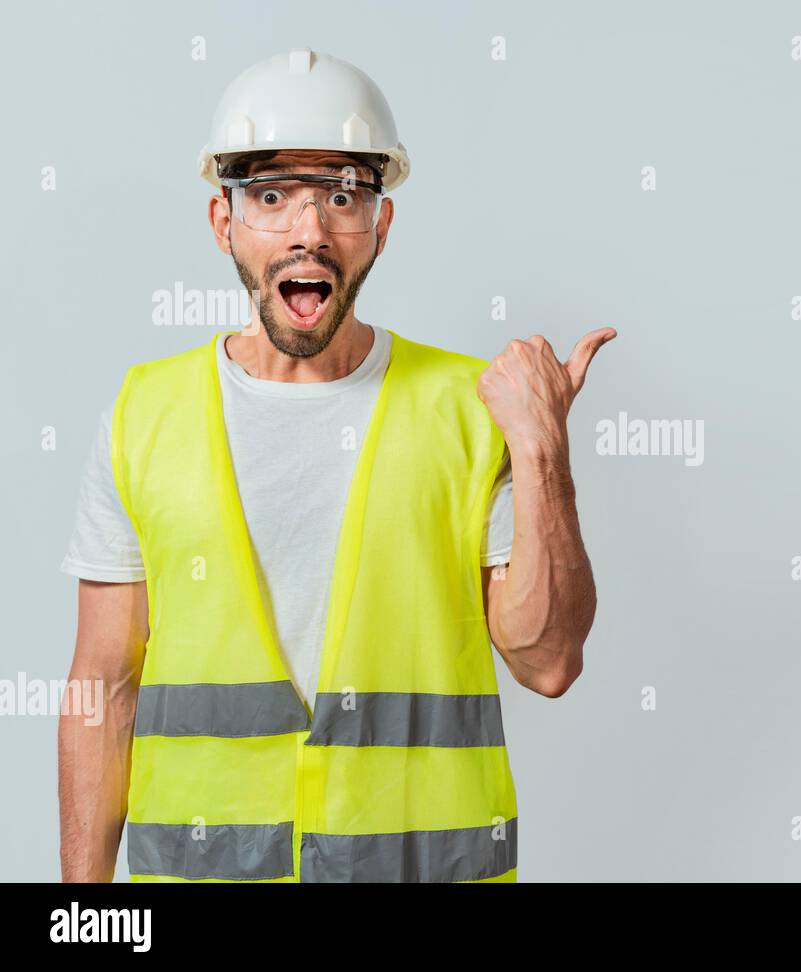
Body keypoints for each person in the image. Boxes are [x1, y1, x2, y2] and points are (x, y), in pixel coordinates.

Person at [57, 48, 613, 883]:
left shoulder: (469, 409)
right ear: (224, 224)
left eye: (343, 197)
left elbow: (548, 660)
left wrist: (542, 450)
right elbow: (103, 683)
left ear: (379, 228)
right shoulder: (145, 415)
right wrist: (83, 913)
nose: (308, 230)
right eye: (272, 197)